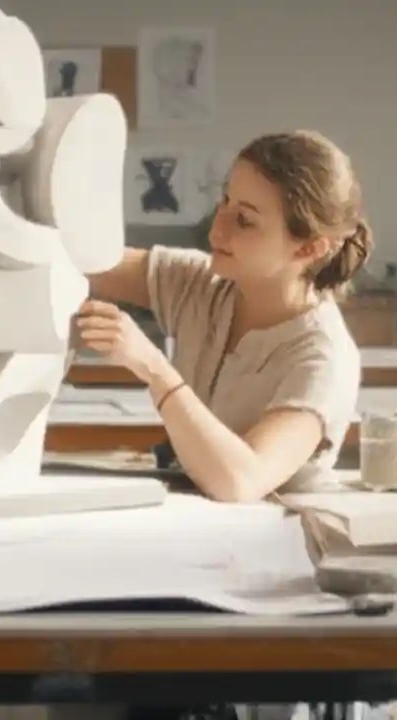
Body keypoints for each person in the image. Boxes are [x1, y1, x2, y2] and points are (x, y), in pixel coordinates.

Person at [77, 129, 373, 503]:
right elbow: (83, 260)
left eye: (245, 220)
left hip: (274, 552)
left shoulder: (322, 359)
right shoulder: (205, 283)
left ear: (310, 248)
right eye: (225, 202)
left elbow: (240, 482)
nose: (217, 228)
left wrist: (153, 367)